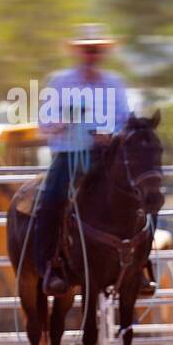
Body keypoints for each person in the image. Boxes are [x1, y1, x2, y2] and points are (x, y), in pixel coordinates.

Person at [33, 23, 136, 296]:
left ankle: (140, 265)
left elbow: (127, 121)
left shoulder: (115, 83)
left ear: (101, 53)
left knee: (140, 197)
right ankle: (48, 266)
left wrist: (110, 135)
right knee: (51, 200)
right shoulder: (60, 81)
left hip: (106, 157)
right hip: (69, 155)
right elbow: (44, 123)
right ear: (80, 53)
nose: (91, 54)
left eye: (96, 50)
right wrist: (63, 122)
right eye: (87, 50)